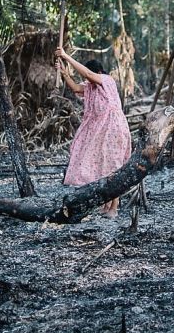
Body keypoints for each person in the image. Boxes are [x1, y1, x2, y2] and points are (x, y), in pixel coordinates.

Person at [55, 47, 132, 217]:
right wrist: (63, 72)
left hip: (113, 127)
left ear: (97, 71)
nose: (86, 79)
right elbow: (76, 88)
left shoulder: (106, 79)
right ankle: (105, 205)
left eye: (88, 74)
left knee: (112, 165)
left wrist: (66, 56)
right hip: (99, 130)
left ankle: (114, 207)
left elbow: (89, 75)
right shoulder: (90, 86)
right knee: (100, 165)